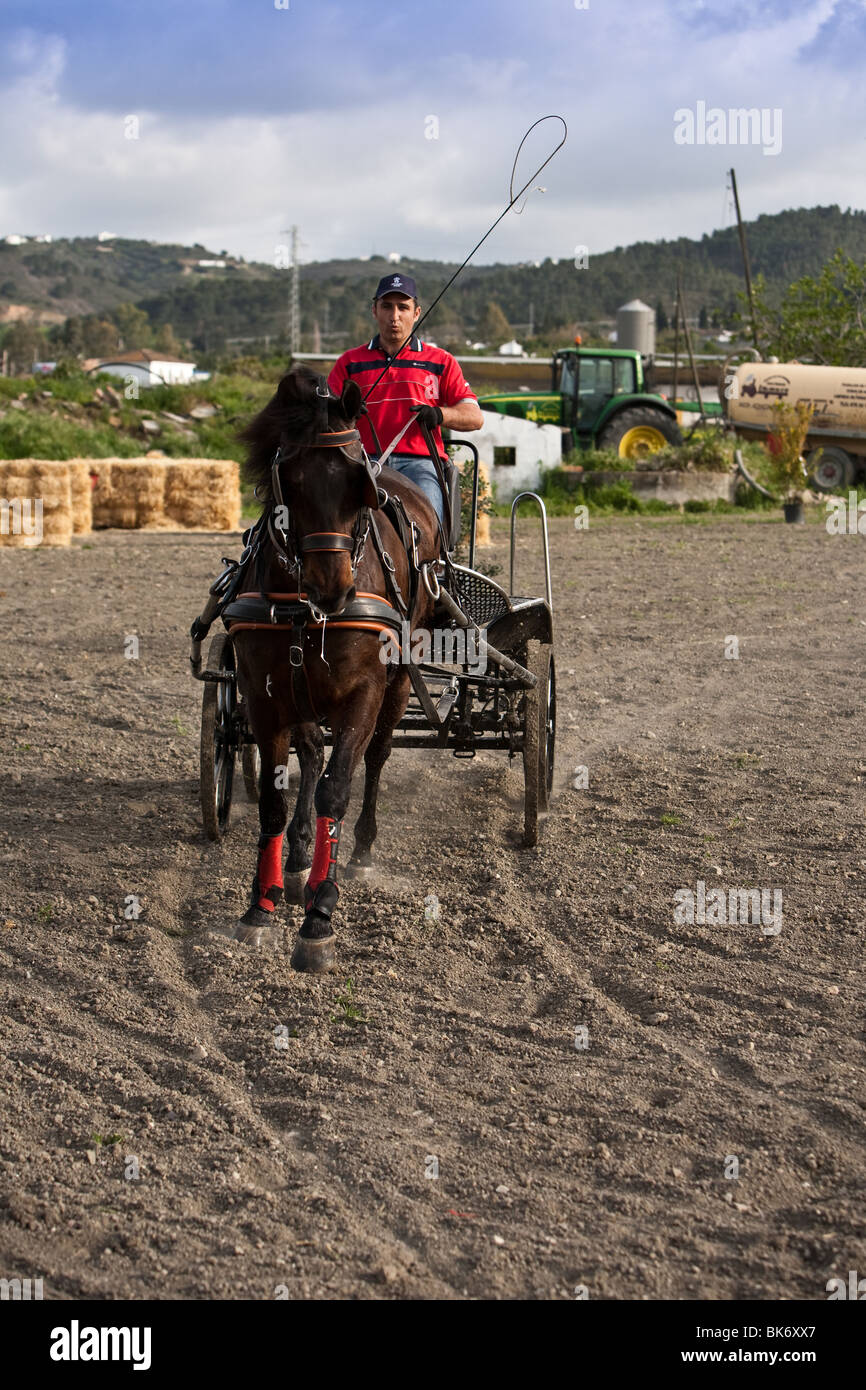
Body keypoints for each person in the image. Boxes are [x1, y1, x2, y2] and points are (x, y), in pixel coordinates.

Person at [328, 273, 483, 537]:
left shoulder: (441, 361)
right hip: (363, 463)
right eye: (387, 306)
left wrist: (439, 413)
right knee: (334, 528)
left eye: (403, 307)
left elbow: (474, 417)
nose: (394, 316)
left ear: (417, 312)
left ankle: (431, 572)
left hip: (420, 465)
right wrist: (345, 411)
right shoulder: (349, 363)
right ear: (374, 310)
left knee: (426, 530)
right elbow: (324, 416)